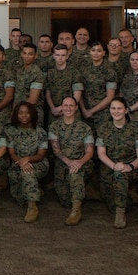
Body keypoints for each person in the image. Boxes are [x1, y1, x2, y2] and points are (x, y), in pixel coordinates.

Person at [96, 98, 138, 229]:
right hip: (109, 169)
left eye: (119, 108)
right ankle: (129, 196)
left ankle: (120, 215)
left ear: (125, 110)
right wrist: (114, 166)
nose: (116, 111)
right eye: (113, 108)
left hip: (130, 170)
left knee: (119, 176)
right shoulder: (103, 129)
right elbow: (101, 153)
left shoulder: (135, 131)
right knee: (111, 204)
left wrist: (129, 166)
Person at [48, 96, 95, 225]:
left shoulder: (85, 128)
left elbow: (89, 152)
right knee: (65, 201)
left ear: (76, 108)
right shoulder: (54, 126)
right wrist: (68, 161)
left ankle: (76, 211)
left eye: (71, 106)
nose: (68, 108)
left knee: (75, 174)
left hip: (81, 164)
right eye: (65, 105)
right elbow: (56, 150)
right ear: (61, 108)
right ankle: (85, 192)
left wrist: (79, 162)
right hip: (63, 164)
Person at [4, 101, 48, 223]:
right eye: (20, 113)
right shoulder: (11, 131)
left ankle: (32, 206)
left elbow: (41, 155)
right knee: (19, 198)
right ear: (16, 115)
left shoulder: (40, 132)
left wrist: (28, 159)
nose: (24, 116)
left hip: (38, 163)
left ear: (32, 114)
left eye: (27, 113)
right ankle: (35, 188)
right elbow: (12, 153)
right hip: (18, 163)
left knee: (27, 173)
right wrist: (21, 162)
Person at [80, 41, 116, 129]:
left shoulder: (109, 71)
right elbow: (79, 91)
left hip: (103, 113)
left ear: (104, 53)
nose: (96, 53)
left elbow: (110, 96)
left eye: (99, 51)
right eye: (93, 50)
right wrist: (84, 110)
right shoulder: (83, 69)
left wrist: (92, 111)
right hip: (84, 112)